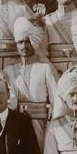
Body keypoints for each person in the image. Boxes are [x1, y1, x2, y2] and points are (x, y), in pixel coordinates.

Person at [6, 16, 59, 145]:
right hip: (16, 125)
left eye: (28, 41)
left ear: (35, 42)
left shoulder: (45, 68)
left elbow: (57, 102)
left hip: (40, 125)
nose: (24, 46)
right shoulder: (9, 70)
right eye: (20, 42)